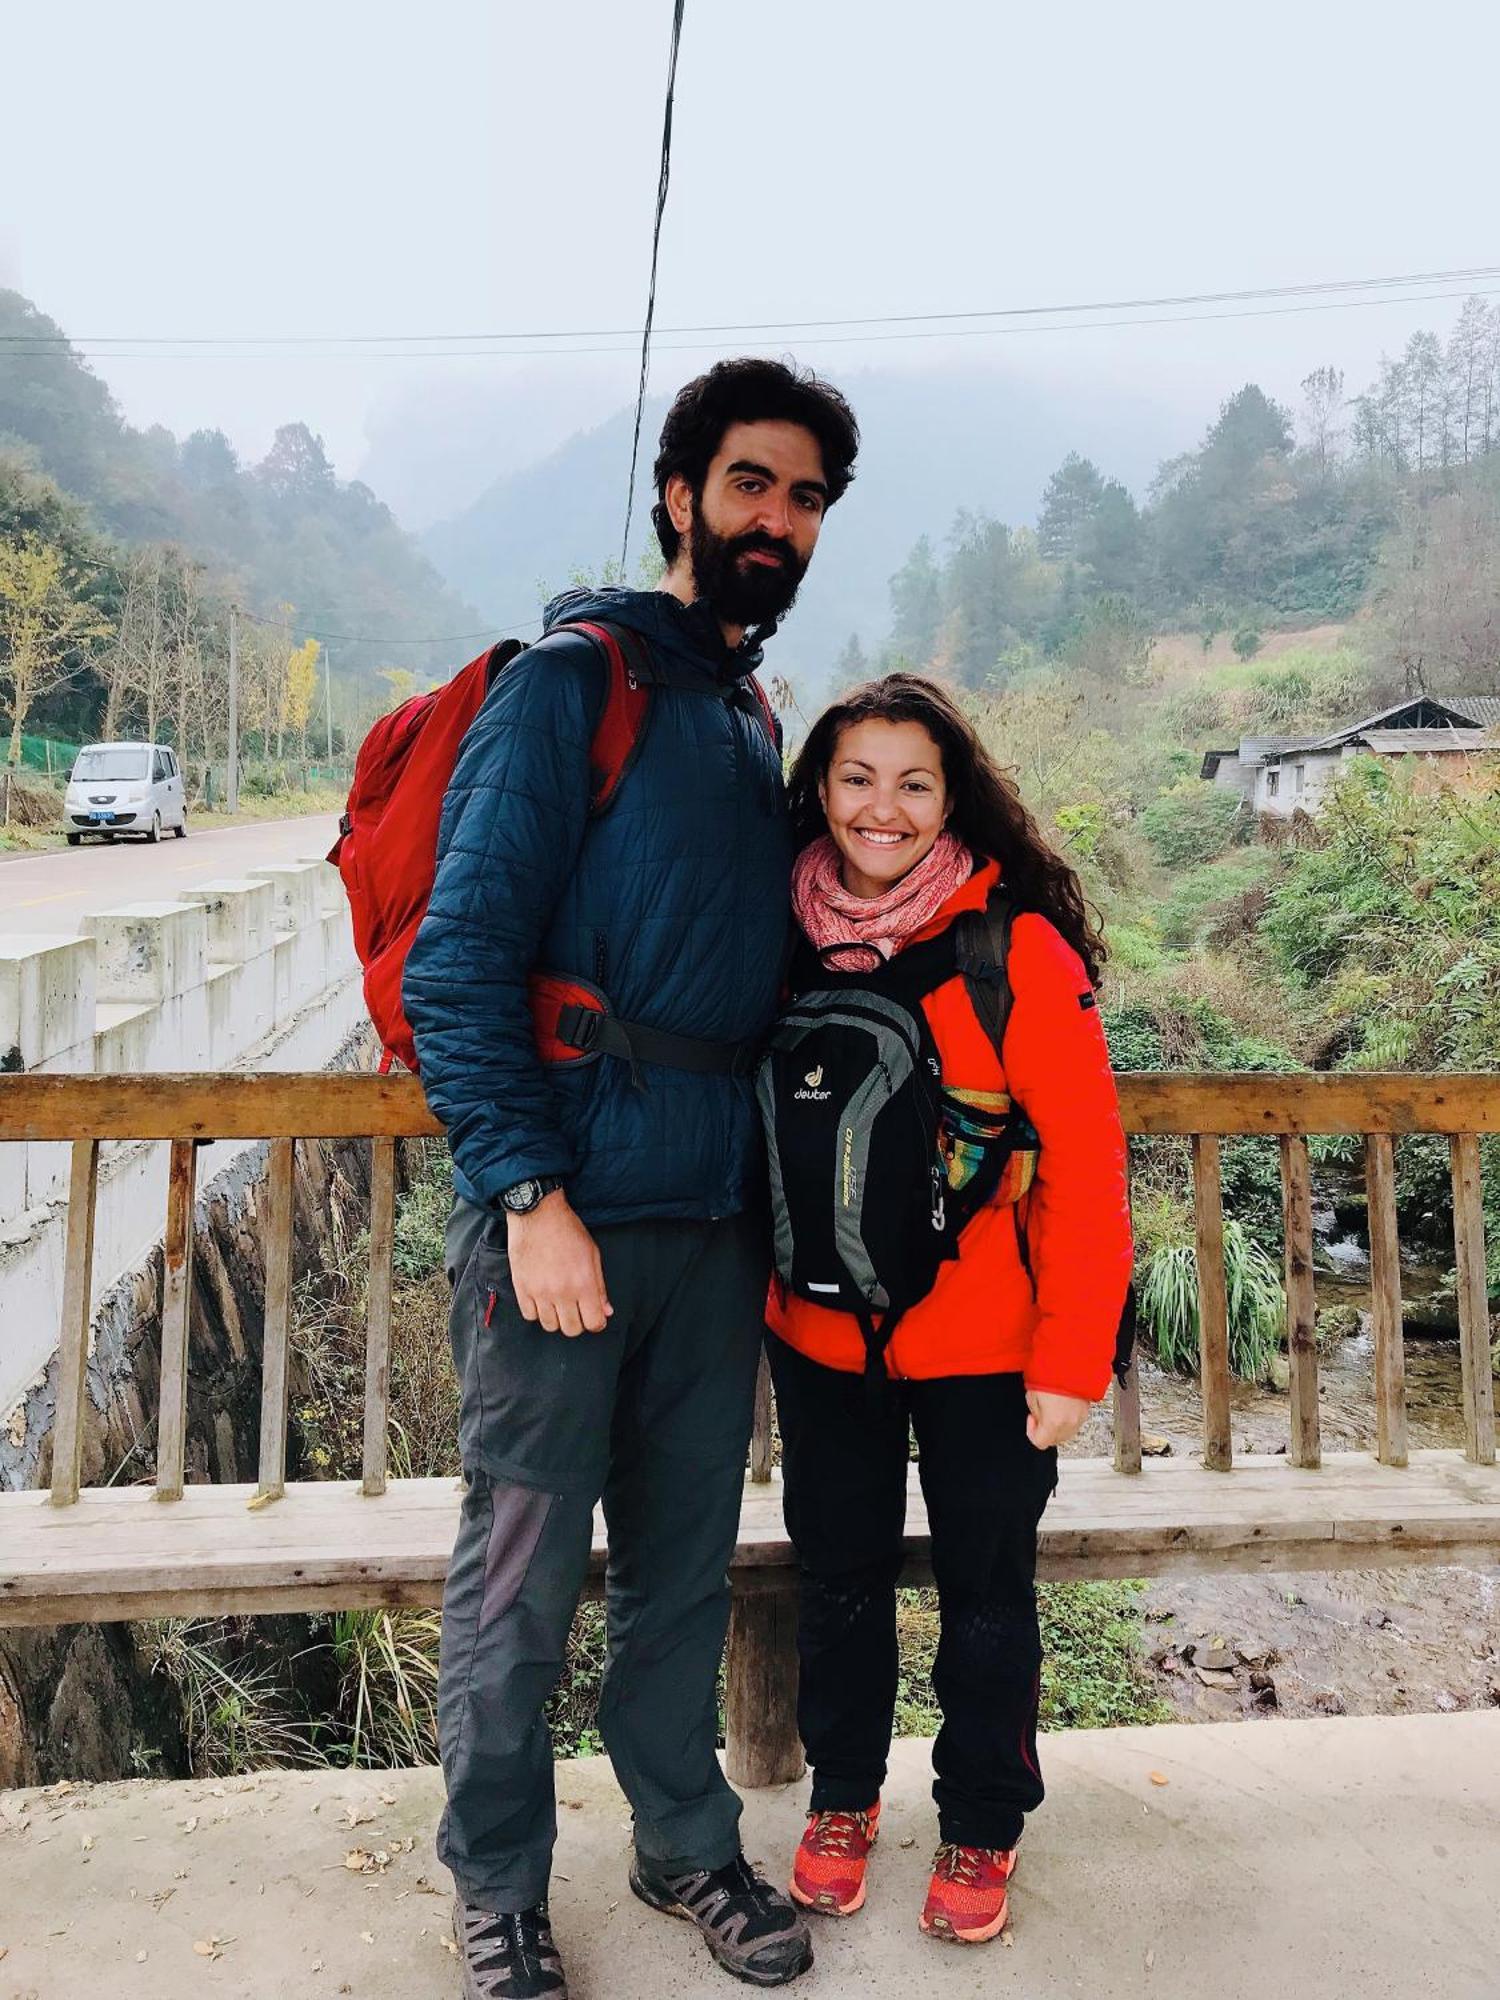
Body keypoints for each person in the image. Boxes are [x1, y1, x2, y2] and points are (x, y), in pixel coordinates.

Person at [402, 357, 859, 2000]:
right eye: (751, 483)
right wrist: (529, 1199)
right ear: (680, 495)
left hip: (713, 1226)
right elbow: (460, 969)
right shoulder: (568, 684)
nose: (778, 518)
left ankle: (683, 1844)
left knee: (679, 1567)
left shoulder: (747, 719)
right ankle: (501, 1887)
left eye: (806, 497)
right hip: (565, 1221)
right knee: (519, 1571)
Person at [761, 673, 1133, 1946]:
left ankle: (981, 1818)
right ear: (819, 787)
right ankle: (844, 1797)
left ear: (952, 795)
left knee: (987, 1586)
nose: (884, 808)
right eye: (858, 778)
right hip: (816, 1333)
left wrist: (1073, 1356)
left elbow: (1084, 1166)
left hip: (988, 1345)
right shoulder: (773, 928)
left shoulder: (1012, 948)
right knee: (841, 1578)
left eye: (914, 782)